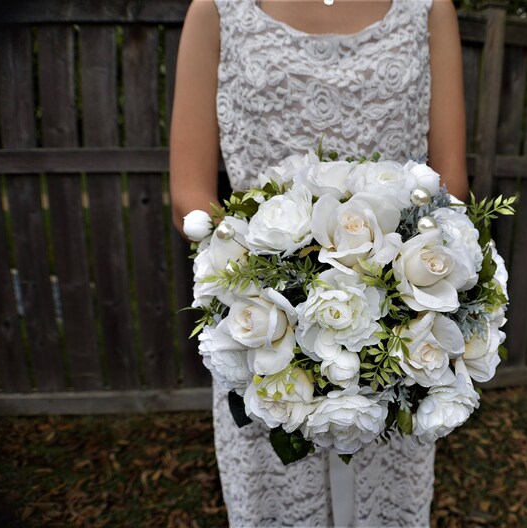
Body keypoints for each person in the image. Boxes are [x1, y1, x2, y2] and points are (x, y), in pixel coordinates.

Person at [170, 0, 468, 525]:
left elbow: (452, 183)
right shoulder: (217, 10)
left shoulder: (429, 9)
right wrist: (265, 284)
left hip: (401, 328)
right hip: (263, 322)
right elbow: (188, 196)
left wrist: (393, 301)